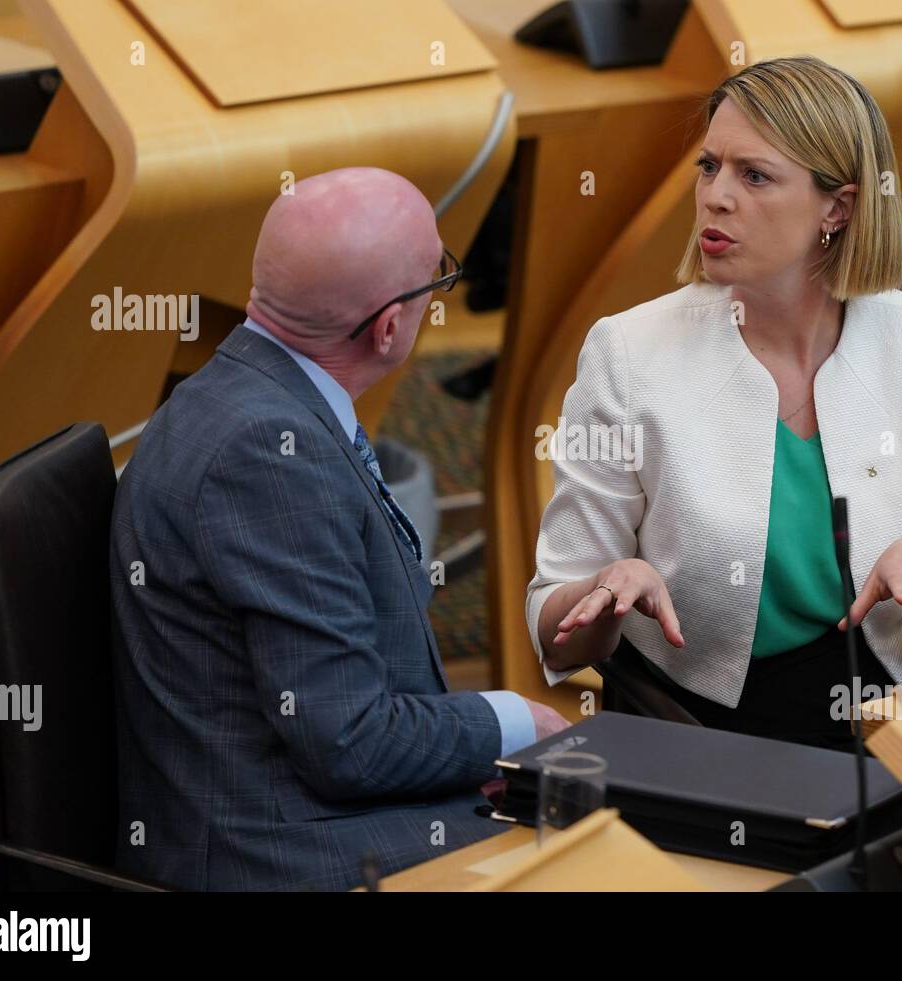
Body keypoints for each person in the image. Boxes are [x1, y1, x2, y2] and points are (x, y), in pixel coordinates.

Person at [111, 167, 568, 891]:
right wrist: (514, 724)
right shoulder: (267, 459)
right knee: (612, 850)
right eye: (436, 279)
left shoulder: (244, 391)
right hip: (282, 853)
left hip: (290, 796)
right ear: (390, 325)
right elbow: (347, 741)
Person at [526, 57, 902, 749]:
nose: (716, 197)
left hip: (896, 708)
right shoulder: (628, 353)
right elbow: (554, 631)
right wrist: (605, 588)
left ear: (837, 207)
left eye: (754, 176)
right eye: (709, 166)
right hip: (704, 718)